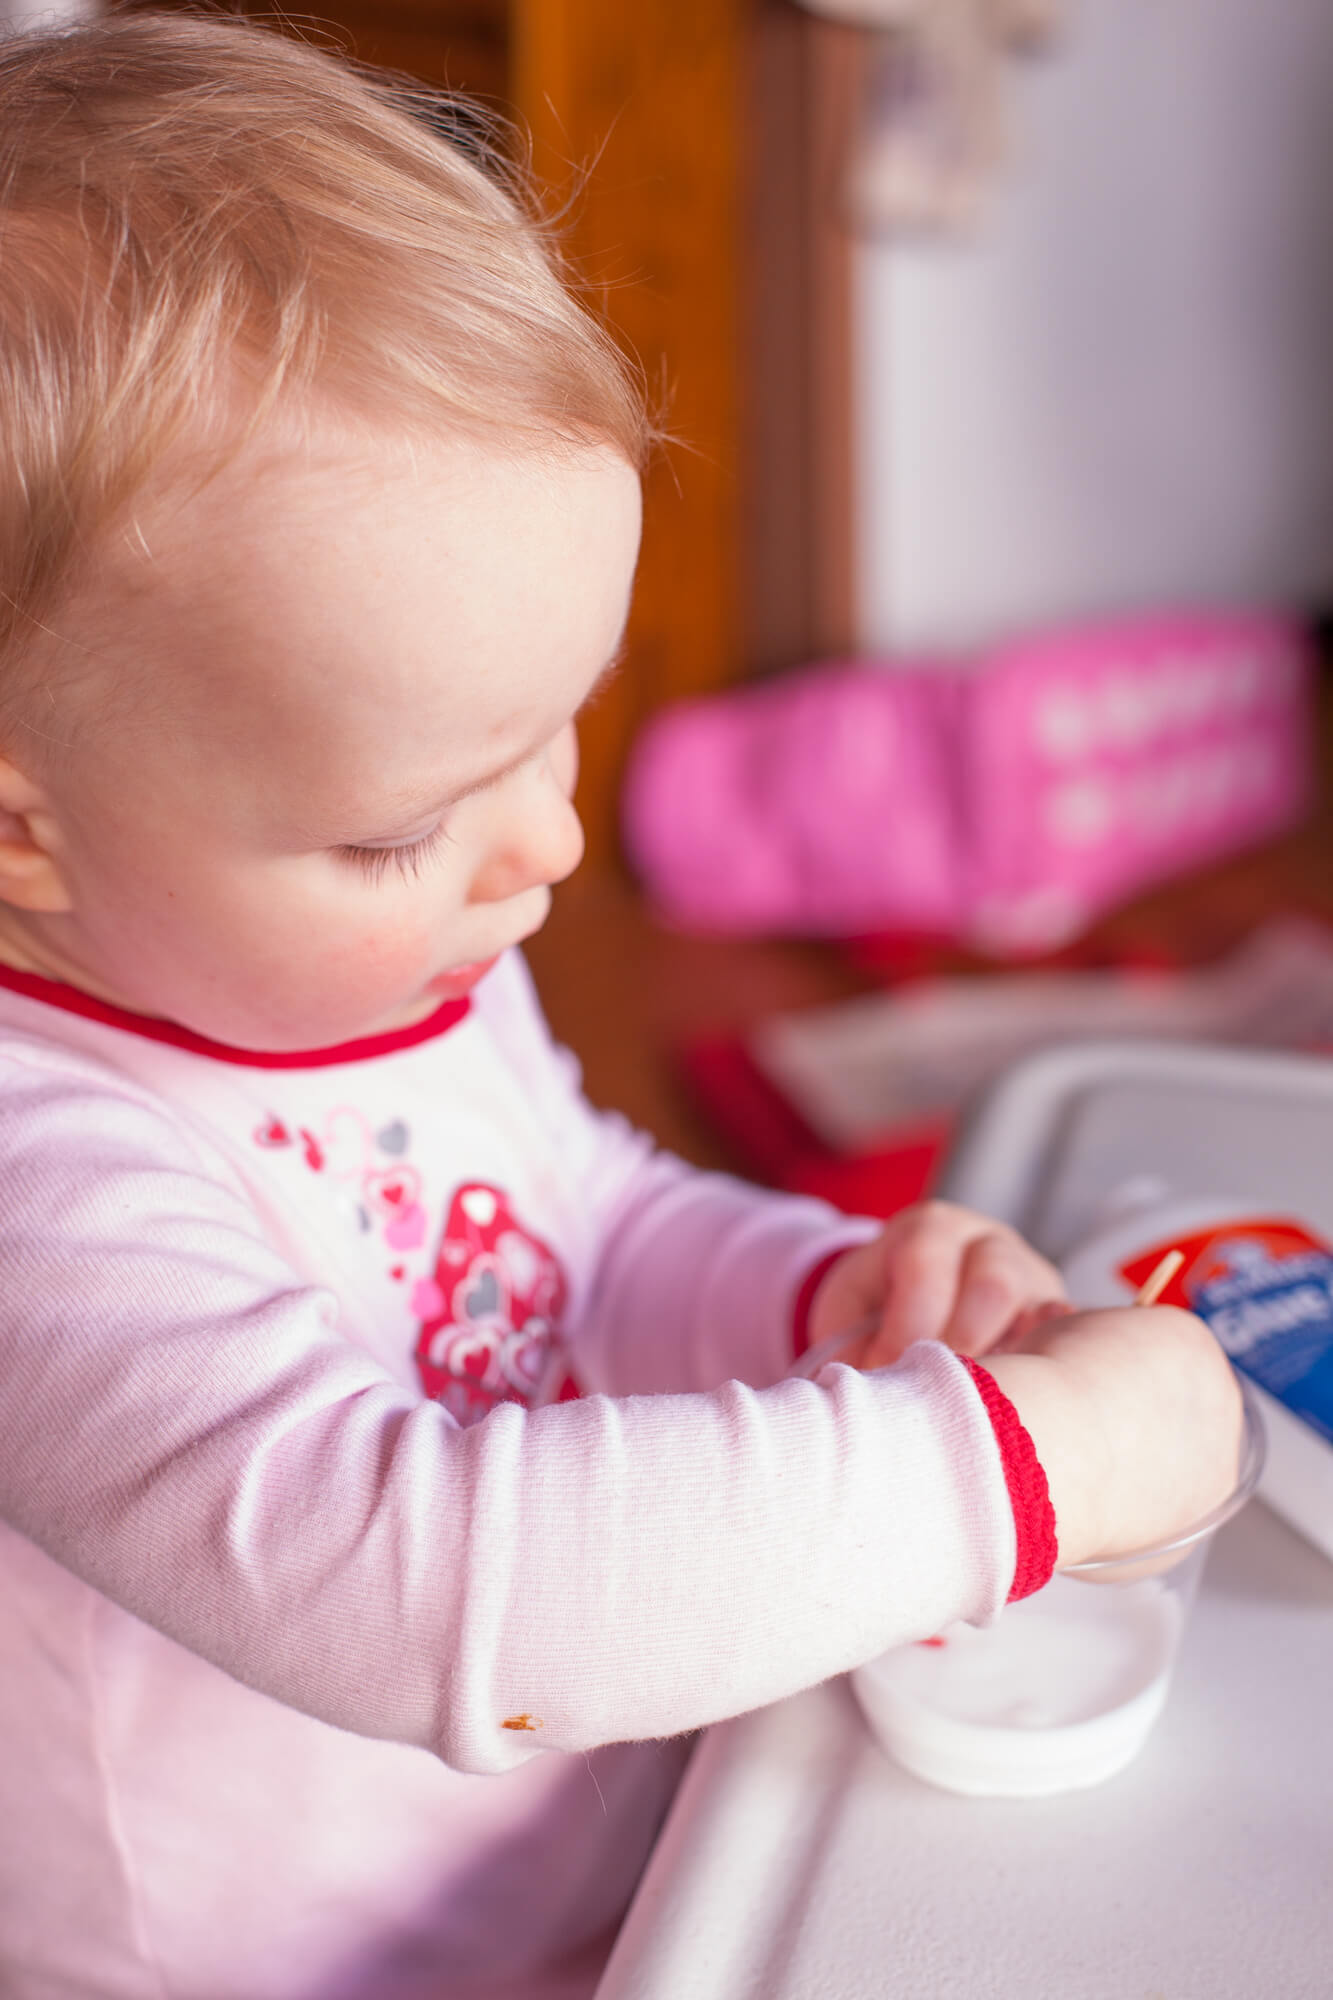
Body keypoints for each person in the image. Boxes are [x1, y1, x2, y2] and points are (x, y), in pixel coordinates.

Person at [0, 11, 1241, 1998]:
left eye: (558, 731)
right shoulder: (41, 1184)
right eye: (407, 818)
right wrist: (1007, 1470)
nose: (547, 850)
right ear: (23, 833)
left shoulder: (367, 963)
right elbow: (416, 1585)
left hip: (591, 1879)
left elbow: (579, 1217)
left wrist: (814, 1305)